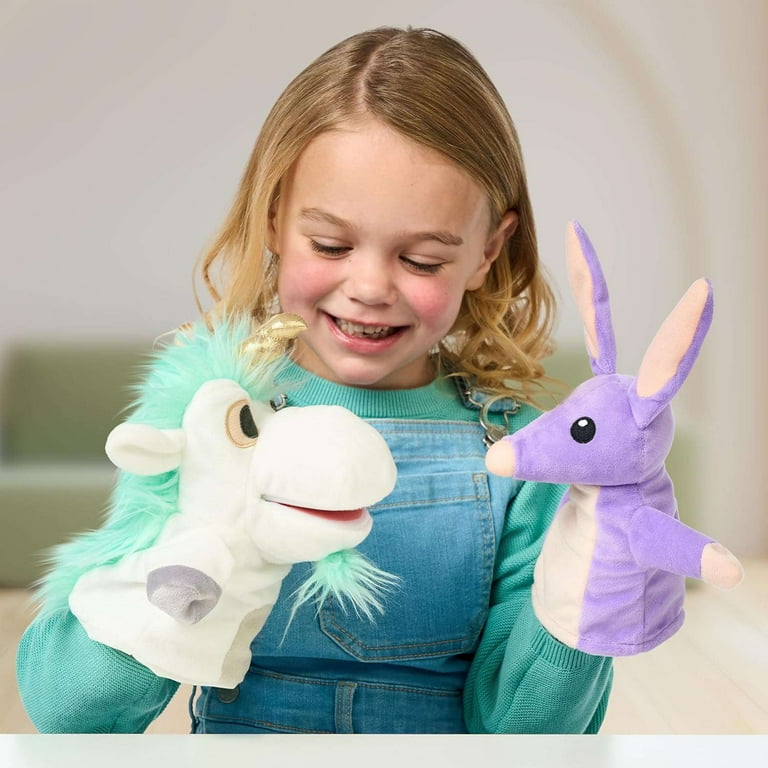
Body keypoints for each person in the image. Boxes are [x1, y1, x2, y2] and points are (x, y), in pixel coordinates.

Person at [16, 26, 613, 734]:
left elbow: (526, 731)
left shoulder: (521, 455)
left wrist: (592, 581)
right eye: (331, 244)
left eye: (421, 260)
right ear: (273, 218)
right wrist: (198, 541)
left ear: (487, 251)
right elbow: (68, 711)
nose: (370, 287)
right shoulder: (211, 421)